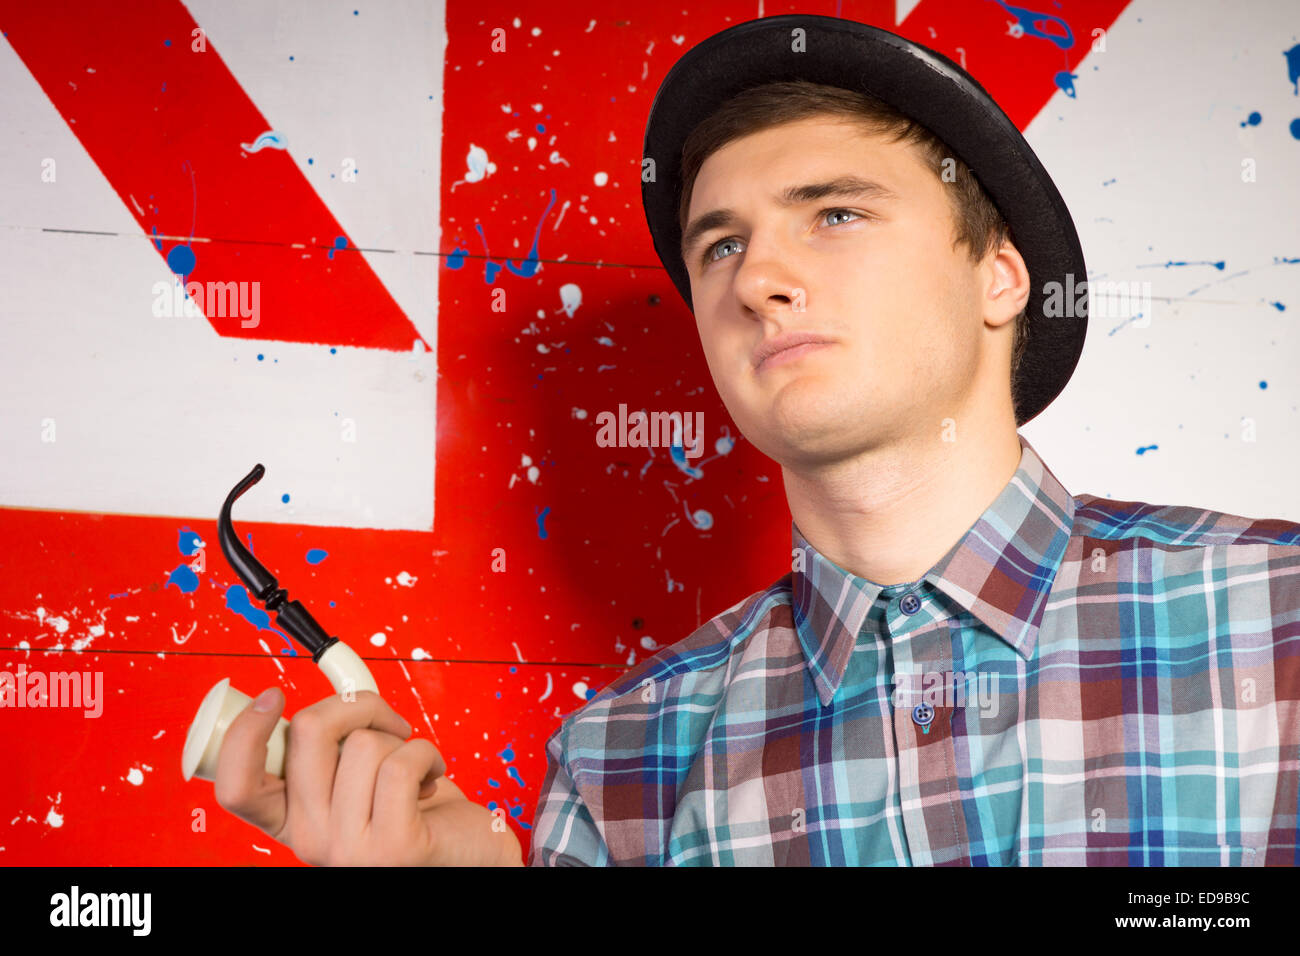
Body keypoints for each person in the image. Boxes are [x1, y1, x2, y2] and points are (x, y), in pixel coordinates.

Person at [212, 15, 1300, 867]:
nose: (757, 280)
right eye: (719, 244)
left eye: (833, 212)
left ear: (999, 273)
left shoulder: (1275, 617)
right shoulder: (617, 766)